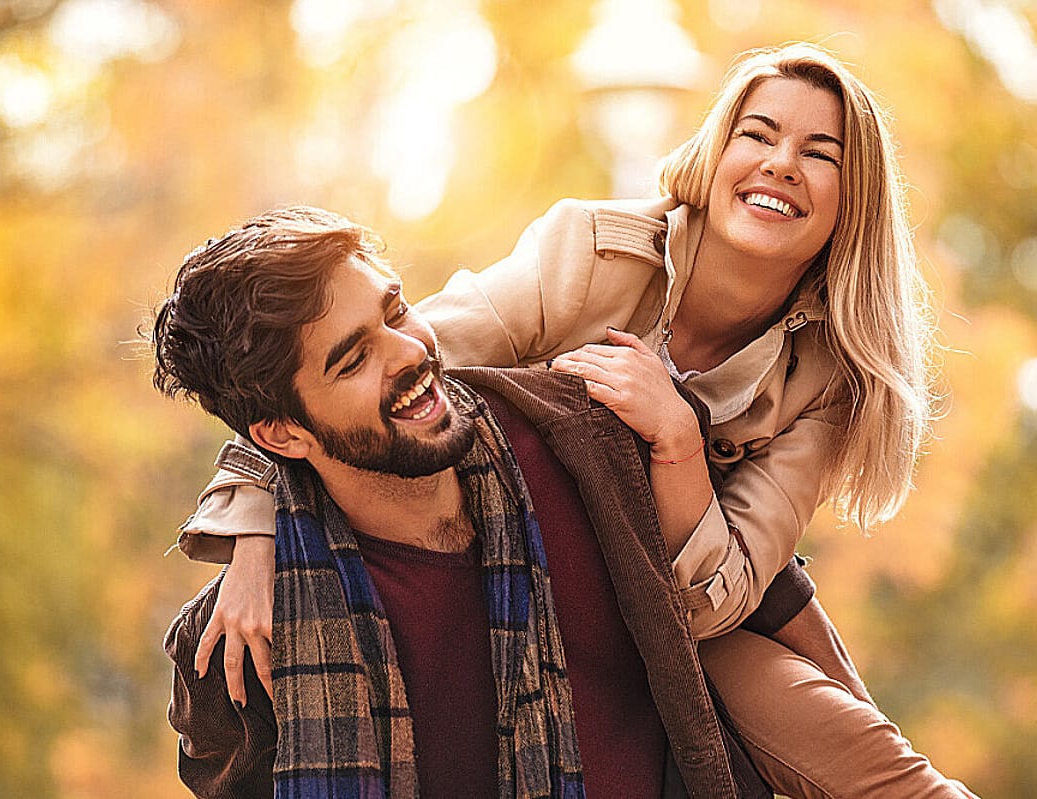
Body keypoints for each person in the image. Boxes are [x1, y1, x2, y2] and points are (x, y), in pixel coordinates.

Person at [175, 43, 978, 798]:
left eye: (819, 153)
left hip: (710, 583)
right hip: (575, 522)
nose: (781, 163)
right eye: (758, 134)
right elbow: (383, 371)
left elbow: (721, 595)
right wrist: (254, 537)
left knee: (874, 754)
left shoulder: (835, 374)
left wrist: (678, 440)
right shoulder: (593, 252)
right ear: (716, 150)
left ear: (853, 198)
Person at [154, 206, 782, 797]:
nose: (409, 352)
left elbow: (767, 590)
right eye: (354, 361)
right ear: (282, 434)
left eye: (396, 313)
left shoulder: (586, 438)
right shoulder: (240, 651)